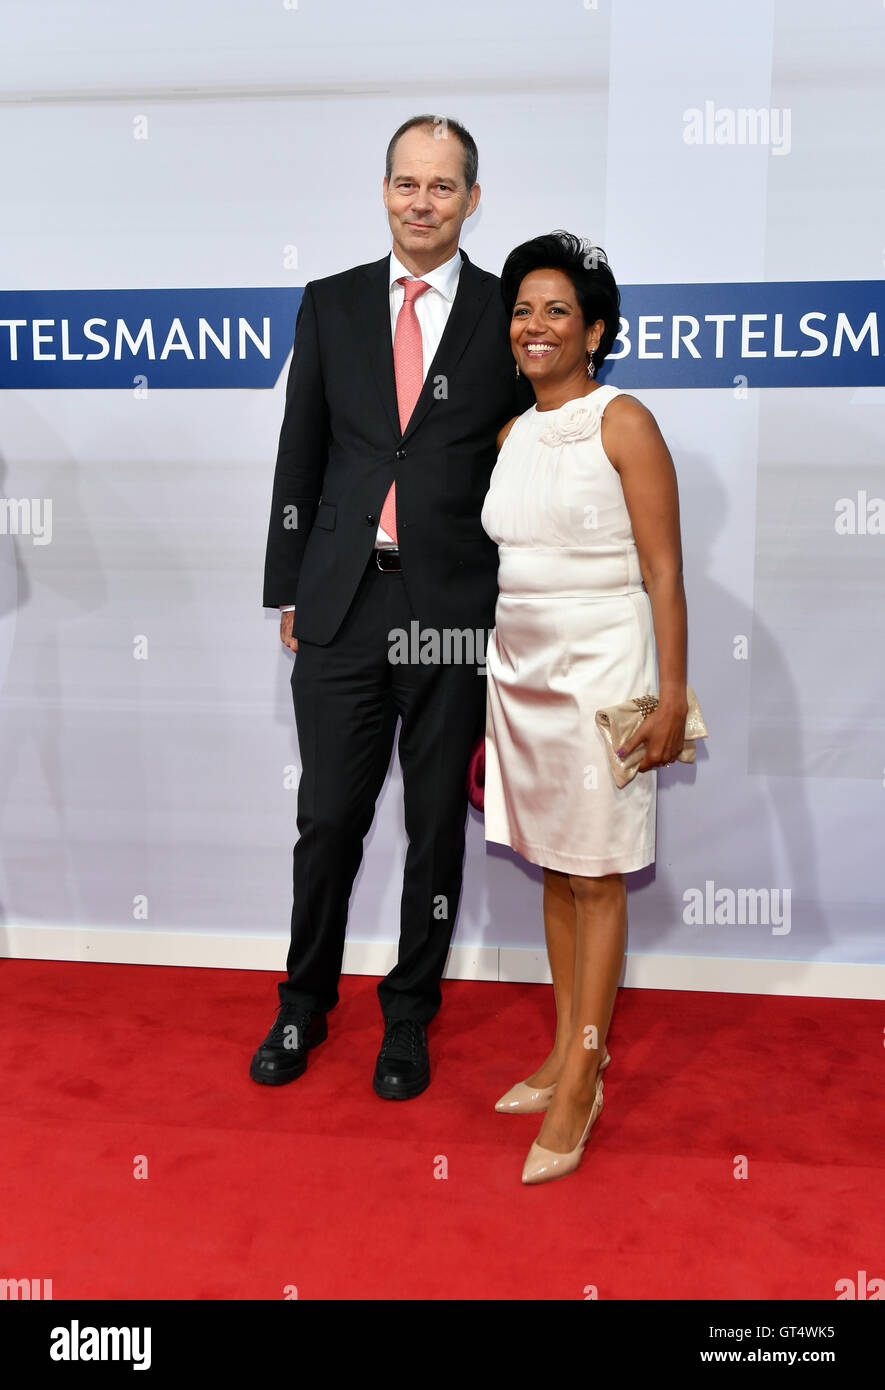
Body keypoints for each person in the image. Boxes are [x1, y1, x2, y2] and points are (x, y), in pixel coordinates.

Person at [252, 115, 528, 1099]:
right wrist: (290, 583)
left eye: (443, 186)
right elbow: (303, 448)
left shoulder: (508, 314)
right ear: (383, 192)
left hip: (453, 608)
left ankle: (408, 1017)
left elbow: (526, 465)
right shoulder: (328, 304)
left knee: (433, 832)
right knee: (327, 818)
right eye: (407, 184)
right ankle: (302, 1003)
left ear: (472, 200)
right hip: (342, 602)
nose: (422, 201)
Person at [481, 231, 689, 1183]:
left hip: (604, 668)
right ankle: (567, 1050)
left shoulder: (623, 421)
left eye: (557, 310)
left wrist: (671, 695)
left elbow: (661, 571)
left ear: (596, 330)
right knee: (555, 870)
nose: (535, 326)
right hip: (518, 671)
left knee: (597, 874)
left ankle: (585, 1075)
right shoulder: (511, 432)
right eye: (523, 310)